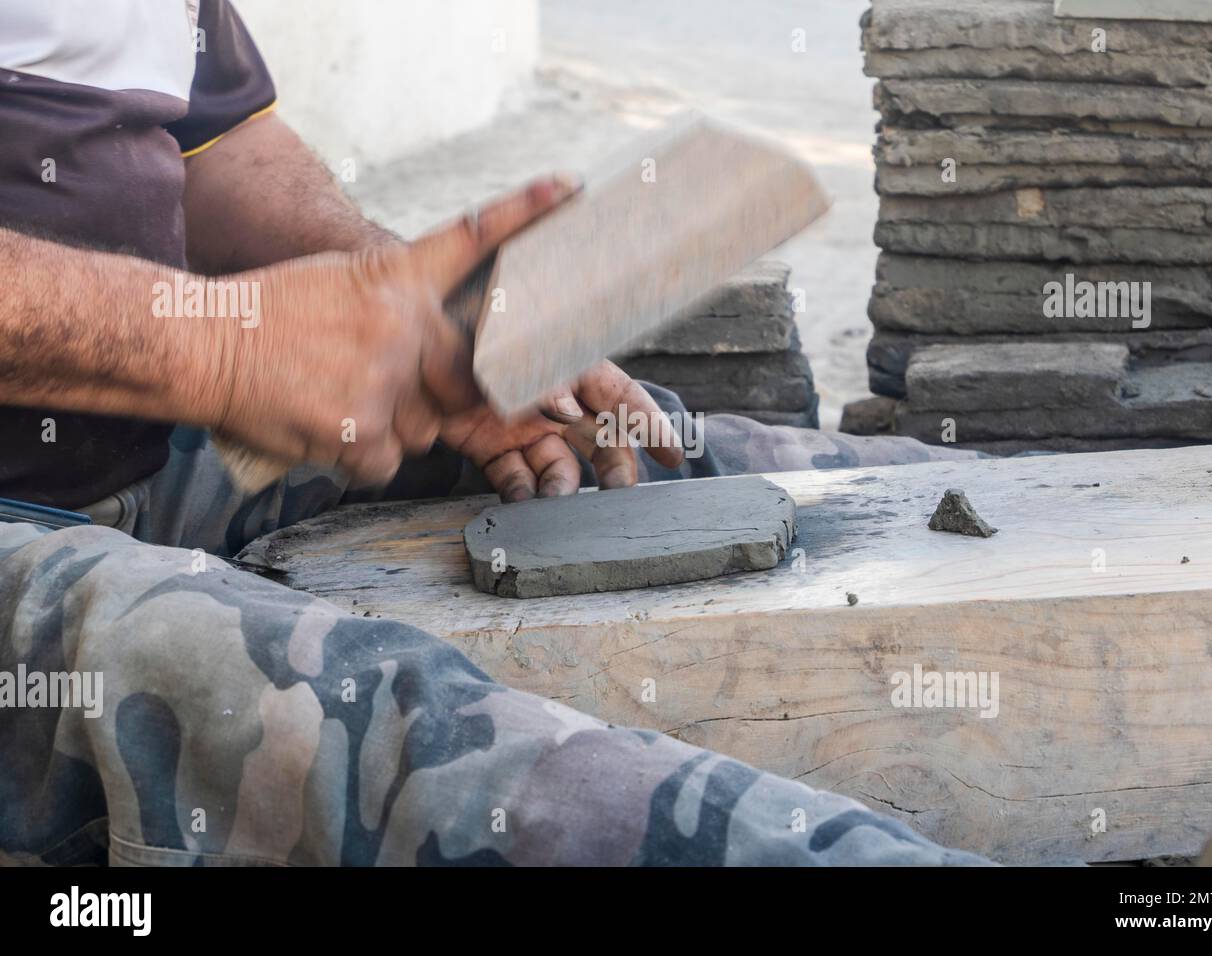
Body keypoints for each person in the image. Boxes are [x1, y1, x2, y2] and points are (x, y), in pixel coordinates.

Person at [0, 0, 984, 866]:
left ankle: (1042, 485)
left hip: (150, 439)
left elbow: (218, 147)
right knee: (408, 737)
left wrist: (408, 312)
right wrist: (222, 352)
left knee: (657, 458)